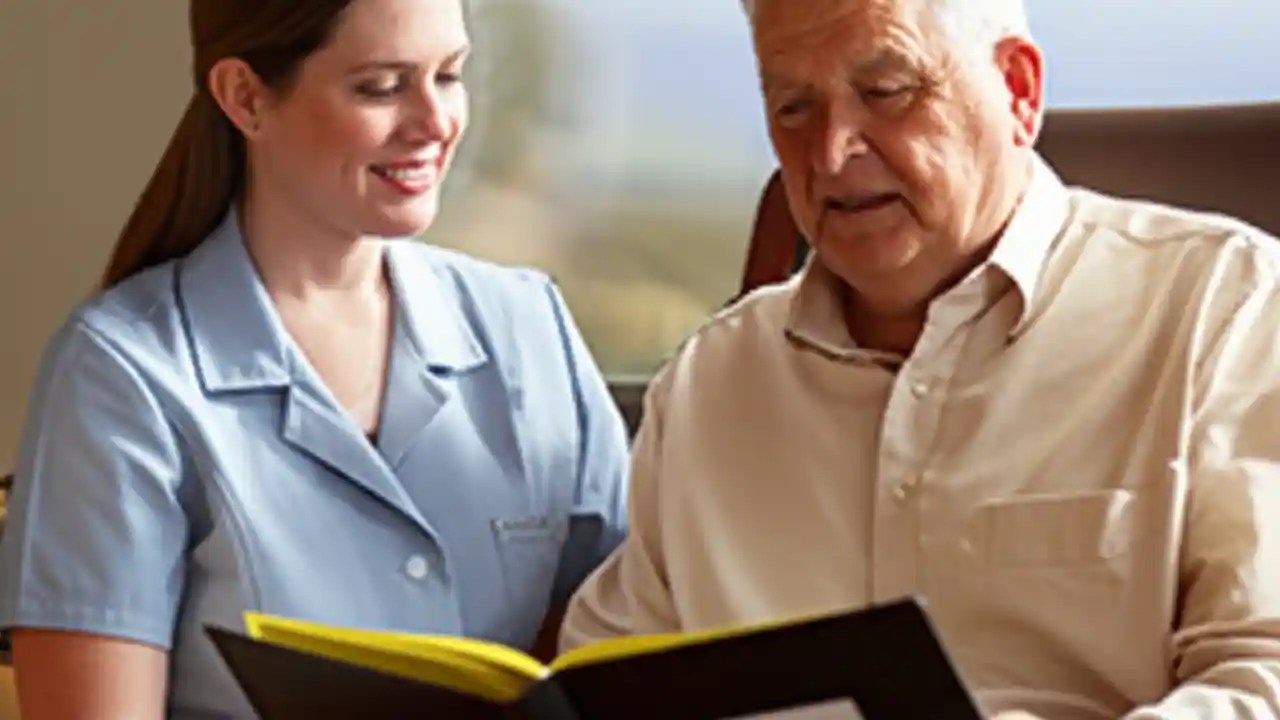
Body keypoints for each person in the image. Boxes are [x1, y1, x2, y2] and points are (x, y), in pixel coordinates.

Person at [560, 0, 1280, 718]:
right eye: (793, 107)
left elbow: (1264, 682)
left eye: (885, 93)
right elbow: (603, 687)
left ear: (1018, 91)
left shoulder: (1227, 308)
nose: (832, 151)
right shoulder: (709, 382)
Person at [0, 0, 629, 717]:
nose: (436, 123)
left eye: (450, 76)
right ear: (244, 97)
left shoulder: (530, 328)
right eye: (382, 87)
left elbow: (630, 645)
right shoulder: (122, 372)